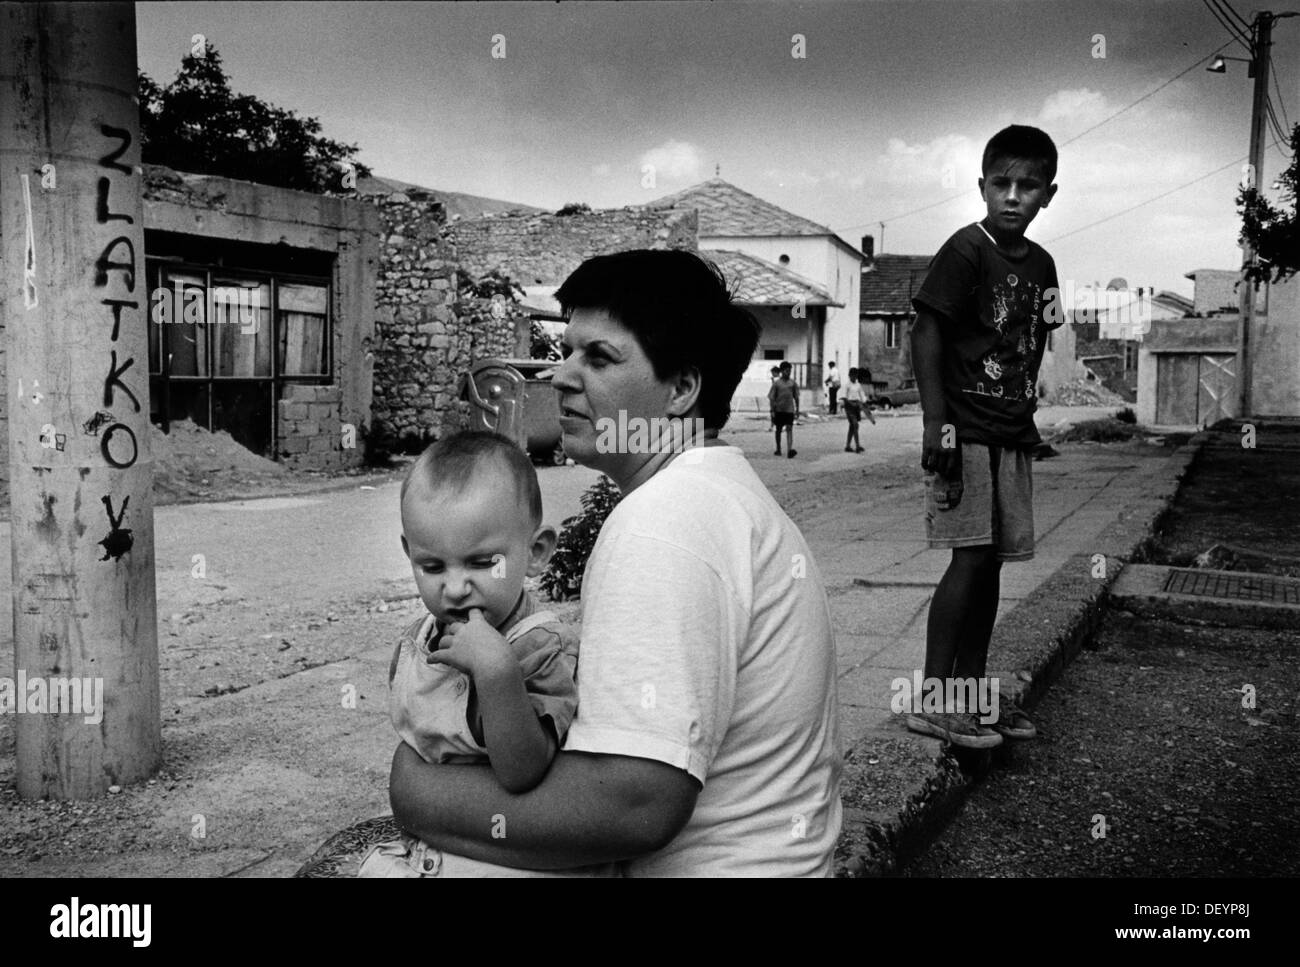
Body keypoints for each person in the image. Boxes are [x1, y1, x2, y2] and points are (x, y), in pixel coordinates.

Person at [388, 249, 843, 876]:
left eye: (598, 357)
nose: (562, 376)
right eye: (567, 350)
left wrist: (415, 792)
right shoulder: (714, 493)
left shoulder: (667, 523)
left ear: (682, 389)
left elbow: (634, 807)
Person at [363, 430, 613, 877]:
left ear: (536, 553)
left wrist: (496, 670)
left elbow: (523, 771)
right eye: (432, 566)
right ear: (409, 553)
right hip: (436, 846)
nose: (455, 588)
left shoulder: (539, 647)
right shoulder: (419, 637)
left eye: (482, 563)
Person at [906, 124, 1062, 749]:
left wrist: (1027, 424)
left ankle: (968, 696)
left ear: (1048, 194)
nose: (1013, 196)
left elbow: (1037, 339)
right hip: (963, 431)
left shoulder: (1044, 263)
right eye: (1002, 183)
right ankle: (933, 699)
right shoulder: (965, 250)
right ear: (982, 186)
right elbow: (925, 331)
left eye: (1028, 186)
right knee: (968, 558)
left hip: (1008, 434)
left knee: (993, 562)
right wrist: (936, 420)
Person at [769, 360, 800, 458]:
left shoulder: (793, 383)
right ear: (782, 371)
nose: (788, 372)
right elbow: (772, 398)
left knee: (789, 429)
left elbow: (796, 397)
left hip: (789, 410)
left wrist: (797, 409)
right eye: (786, 371)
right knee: (778, 429)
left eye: (789, 371)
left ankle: (789, 450)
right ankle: (778, 448)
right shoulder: (777, 384)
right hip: (779, 410)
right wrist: (772, 410)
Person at [842, 367, 873, 452]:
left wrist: (864, 402)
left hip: (856, 406)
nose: (854, 377)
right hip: (849, 406)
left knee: (852, 426)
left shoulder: (858, 385)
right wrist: (849, 403)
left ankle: (847, 446)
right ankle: (857, 446)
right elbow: (844, 397)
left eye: (856, 376)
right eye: (853, 376)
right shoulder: (847, 385)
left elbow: (862, 394)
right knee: (855, 424)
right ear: (849, 375)